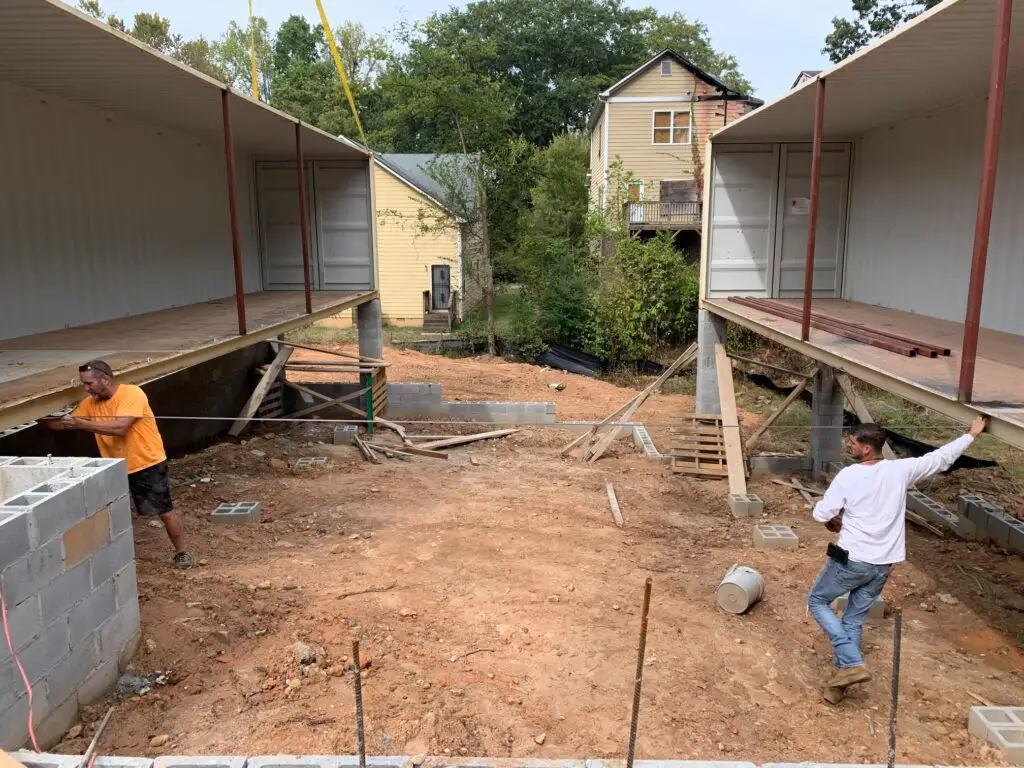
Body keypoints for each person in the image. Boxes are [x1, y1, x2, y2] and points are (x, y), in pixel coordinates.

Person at [808, 415, 987, 699]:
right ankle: (838, 685)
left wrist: (828, 517)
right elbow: (940, 459)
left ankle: (851, 662)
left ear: (867, 448)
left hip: (853, 559)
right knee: (853, 620)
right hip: (883, 565)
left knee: (817, 601)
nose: (848, 445)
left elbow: (822, 512)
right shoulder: (901, 470)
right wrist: (971, 435)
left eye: (852, 442)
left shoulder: (849, 476)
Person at [44, 360, 192, 569]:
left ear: (105, 379)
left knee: (165, 512)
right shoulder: (90, 403)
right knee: (107, 512)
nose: (86, 389)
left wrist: (82, 424)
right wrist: (36, 416)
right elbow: (60, 425)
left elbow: (120, 427)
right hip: (115, 466)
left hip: (146, 462)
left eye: (89, 383)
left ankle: (181, 552)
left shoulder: (132, 394)